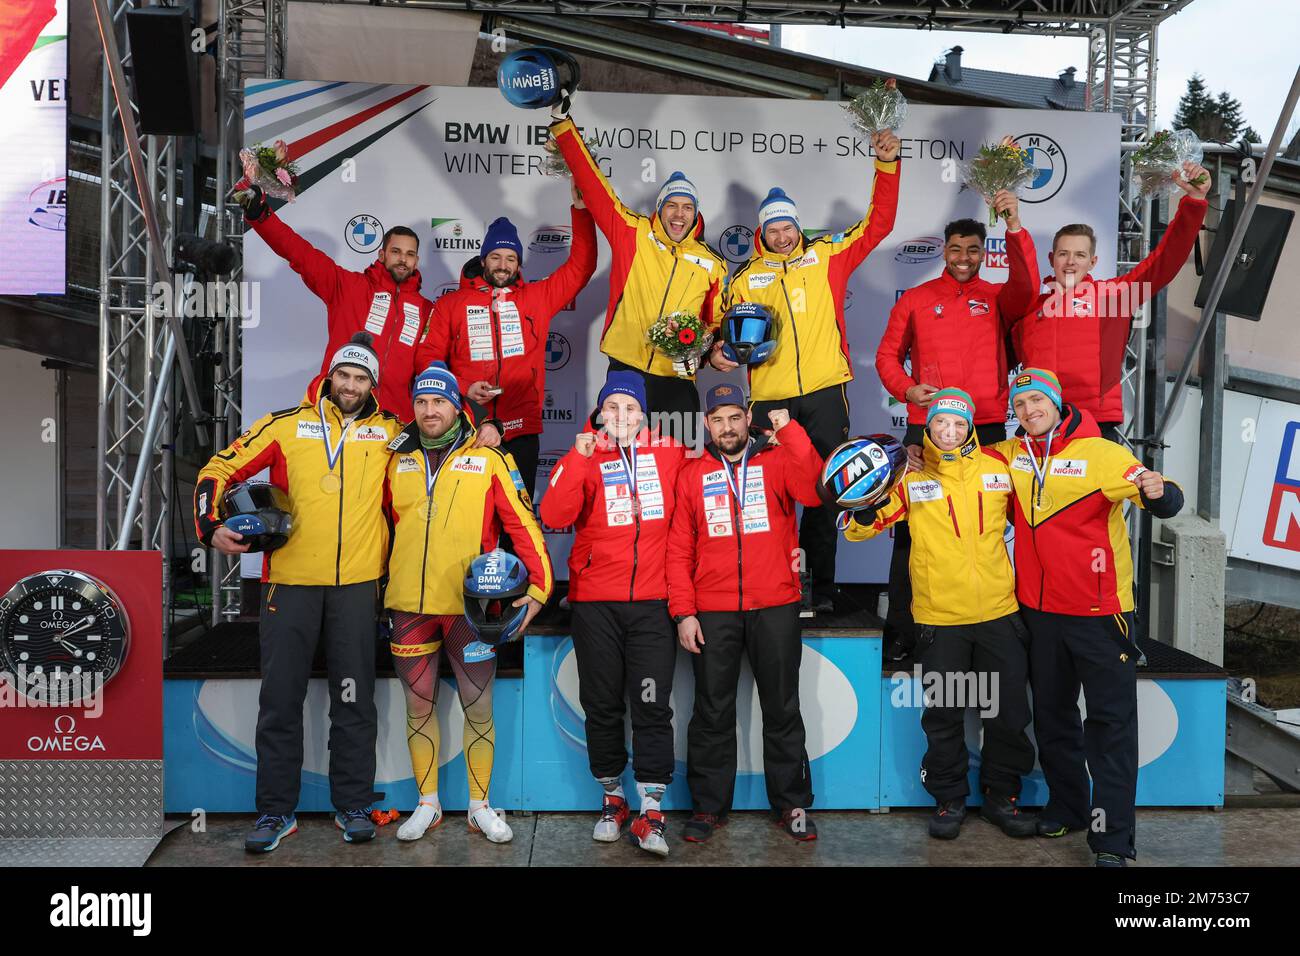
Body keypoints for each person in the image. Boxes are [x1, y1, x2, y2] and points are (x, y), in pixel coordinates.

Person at [194, 333, 404, 852]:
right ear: (330, 375)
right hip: (288, 586)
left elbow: (446, 446)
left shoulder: (392, 433)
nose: (351, 385)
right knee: (280, 700)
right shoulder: (286, 425)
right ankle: (274, 812)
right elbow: (218, 468)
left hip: (356, 586)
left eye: (361, 378)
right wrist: (208, 525)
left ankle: (353, 803)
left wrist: (488, 427)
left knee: (354, 701)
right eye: (344, 375)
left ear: (372, 384)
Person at [989, 369, 1185, 867]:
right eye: (1020, 404)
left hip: (1100, 615)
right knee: (1053, 719)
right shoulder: (1011, 456)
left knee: (1109, 727)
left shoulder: (1100, 452)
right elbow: (964, 468)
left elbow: (1157, 494)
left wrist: (1160, 490)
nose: (1030, 410)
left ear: (1056, 401)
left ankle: (1112, 840)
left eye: (1037, 400)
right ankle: (1069, 808)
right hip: (1039, 614)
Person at [842, 388, 1036, 840]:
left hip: (998, 614)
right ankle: (949, 801)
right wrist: (865, 512)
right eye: (939, 424)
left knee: (1008, 715)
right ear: (926, 429)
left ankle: (1001, 798)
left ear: (970, 427)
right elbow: (857, 530)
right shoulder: (910, 478)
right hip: (940, 619)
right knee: (944, 715)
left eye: (957, 424)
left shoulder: (998, 469)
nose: (949, 432)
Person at [720, 132, 901, 613]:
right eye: (773, 229)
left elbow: (879, 223)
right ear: (762, 233)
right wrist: (722, 353)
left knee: (827, 489)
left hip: (823, 393)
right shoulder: (743, 277)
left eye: (787, 226)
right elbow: (724, 342)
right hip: (769, 401)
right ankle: (771, 584)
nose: (782, 235)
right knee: (769, 494)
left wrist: (887, 164)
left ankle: (821, 590)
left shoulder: (827, 255)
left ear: (798, 226)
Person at [383, 362, 551, 844]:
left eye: (439, 401)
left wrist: (538, 589)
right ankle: (428, 804)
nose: (429, 410)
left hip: (470, 609)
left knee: (479, 708)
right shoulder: (396, 457)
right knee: (418, 707)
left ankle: (480, 805)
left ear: (458, 406)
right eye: (421, 402)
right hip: (409, 607)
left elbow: (523, 522)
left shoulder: (489, 457)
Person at [875, 191, 1037, 657]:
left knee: (994, 529)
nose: (963, 259)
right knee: (910, 530)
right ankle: (902, 632)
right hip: (927, 431)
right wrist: (906, 389)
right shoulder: (919, 300)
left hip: (986, 430)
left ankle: (1002, 623)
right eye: (955, 249)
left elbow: (1025, 288)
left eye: (972, 250)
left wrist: (1014, 225)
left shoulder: (998, 298)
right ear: (944, 251)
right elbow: (887, 355)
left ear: (984, 253)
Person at [538, 370, 688, 857]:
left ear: (644, 415)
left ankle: (651, 809)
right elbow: (555, 515)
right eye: (612, 408)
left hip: (651, 604)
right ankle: (612, 798)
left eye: (630, 409)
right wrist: (578, 460)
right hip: (595, 602)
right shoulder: (584, 453)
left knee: (650, 703)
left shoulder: (670, 450)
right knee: (601, 702)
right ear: (600, 412)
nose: (621, 417)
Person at [668, 383, 825, 843]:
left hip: (775, 604)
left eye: (734, 417)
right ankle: (708, 807)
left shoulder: (777, 460)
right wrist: (684, 613)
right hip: (712, 611)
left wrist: (790, 430)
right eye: (717, 419)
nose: (727, 427)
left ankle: (792, 804)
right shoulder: (691, 474)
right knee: (711, 711)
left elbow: (815, 492)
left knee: (783, 708)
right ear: (706, 425)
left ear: (747, 418)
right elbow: (678, 549)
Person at [549, 102, 724, 437]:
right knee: (613, 460)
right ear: (660, 209)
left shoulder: (712, 264)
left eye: (687, 207)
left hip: (676, 380)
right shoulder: (634, 233)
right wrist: (563, 124)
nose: (679, 214)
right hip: (626, 371)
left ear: (696, 214)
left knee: (682, 463)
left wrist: (700, 352)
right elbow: (596, 187)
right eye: (671, 205)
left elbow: (715, 322)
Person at [1010, 161, 1211, 441]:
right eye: (1063, 254)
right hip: (1038, 426)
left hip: (1094, 425)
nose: (1070, 262)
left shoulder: (1112, 297)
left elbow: (1164, 262)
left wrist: (1194, 201)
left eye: (1080, 255)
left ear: (1093, 262)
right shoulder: (1030, 308)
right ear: (1051, 259)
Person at [416, 187, 596, 497]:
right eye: (496, 257)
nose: (503, 265)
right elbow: (426, 359)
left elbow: (581, 267)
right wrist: (460, 387)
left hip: (520, 430)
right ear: (484, 259)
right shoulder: (451, 304)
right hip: (467, 428)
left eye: (510, 258)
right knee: (470, 521)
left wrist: (581, 211)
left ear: (519, 263)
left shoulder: (537, 298)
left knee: (519, 522)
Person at [237, 182, 460, 424]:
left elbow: (436, 359)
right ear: (382, 255)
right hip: (340, 413)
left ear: (416, 261)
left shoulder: (427, 309)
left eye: (409, 254)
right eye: (396, 252)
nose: (402, 260)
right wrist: (260, 216)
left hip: (394, 421)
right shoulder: (349, 287)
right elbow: (300, 253)